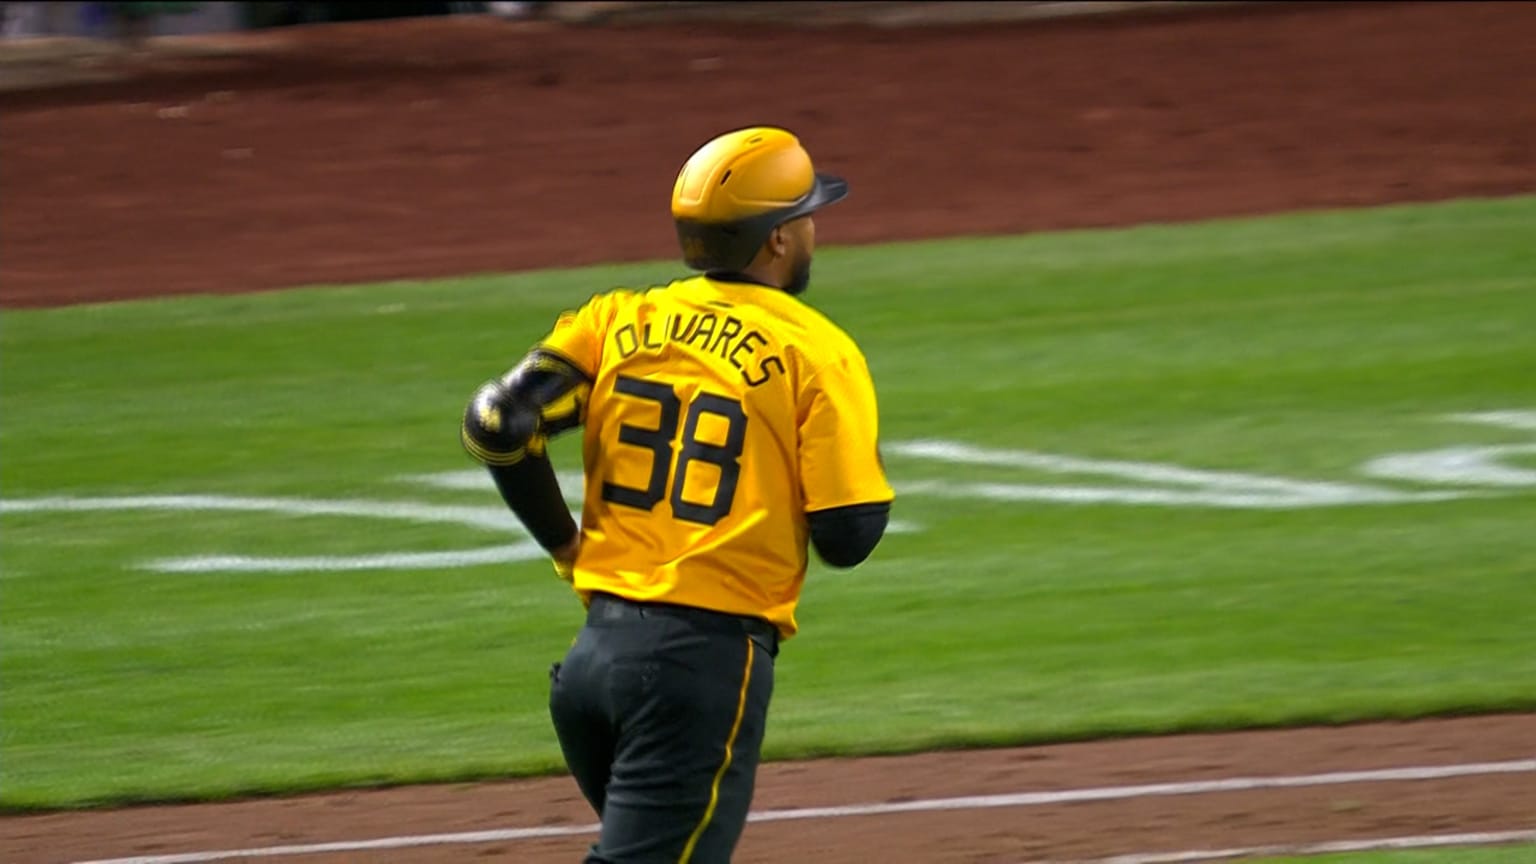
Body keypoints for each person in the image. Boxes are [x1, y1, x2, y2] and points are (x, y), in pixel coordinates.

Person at [460, 126, 894, 863]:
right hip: (696, 673)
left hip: (593, 666)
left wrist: (568, 547)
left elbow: (498, 422)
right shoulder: (816, 351)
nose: (816, 227)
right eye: (809, 213)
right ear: (780, 239)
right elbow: (847, 535)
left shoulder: (618, 321)